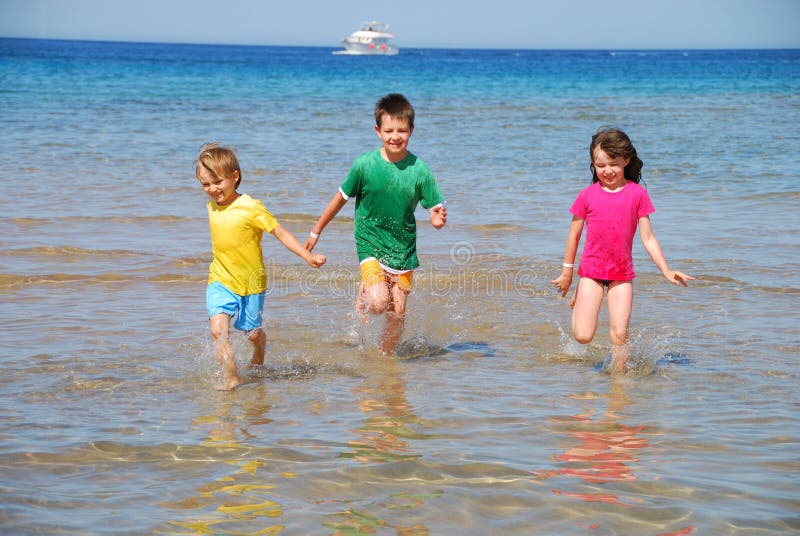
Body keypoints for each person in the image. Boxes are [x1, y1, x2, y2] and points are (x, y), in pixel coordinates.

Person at [305, 93, 447, 355]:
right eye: (389, 130)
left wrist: (437, 219)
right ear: (378, 131)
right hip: (369, 243)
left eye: (402, 130)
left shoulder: (420, 170)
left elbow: (434, 209)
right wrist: (316, 231)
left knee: (398, 311)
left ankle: (385, 357)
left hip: (402, 249)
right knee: (380, 302)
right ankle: (366, 293)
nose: (395, 136)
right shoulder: (364, 165)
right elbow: (340, 199)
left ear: (412, 131)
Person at [550, 128, 694, 373]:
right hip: (591, 274)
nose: (607, 171)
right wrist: (567, 274)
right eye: (600, 165)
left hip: (621, 275)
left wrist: (666, 270)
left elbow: (647, 237)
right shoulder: (587, 196)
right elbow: (573, 235)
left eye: (613, 164)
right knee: (583, 336)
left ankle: (619, 384)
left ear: (626, 161)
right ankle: (580, 296)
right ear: (593, 164)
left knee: (619, 334)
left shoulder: (638, 195)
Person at [195, 143, 327, 390]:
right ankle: (231, 377)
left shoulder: (251, 207)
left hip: (252, 284)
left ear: (235, 177)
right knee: (218, 331)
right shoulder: (211, 205)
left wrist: (306, 257)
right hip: (220, 279)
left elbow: (280, 233)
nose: (212, 190)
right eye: (205, 184)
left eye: (218, 182)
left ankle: (259, 352)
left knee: (252, 333)